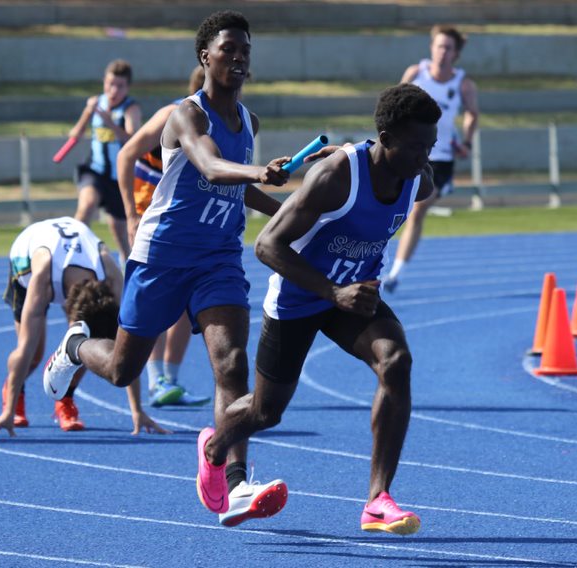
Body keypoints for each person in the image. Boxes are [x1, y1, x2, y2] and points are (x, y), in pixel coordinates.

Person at [43, 11, 293, 527]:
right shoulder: (186, 115)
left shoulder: (250, 122)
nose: (240, 57)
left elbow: (240, 188)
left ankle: (237, 483)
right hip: (162, 257)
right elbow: (208, 165)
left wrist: (293, 211)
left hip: (219, 258)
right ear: (206, 56)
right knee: (121, 371)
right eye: (229, 48)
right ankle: (74, 346)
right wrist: (257, 170)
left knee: (232, 364)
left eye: (246, 49)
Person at [200, 83, 440, 535]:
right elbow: (267, 244)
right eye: (413, 147)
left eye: (429, 146)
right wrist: (333, 292)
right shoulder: (336, 178)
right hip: (298, 296)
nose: (422, 158)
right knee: (267, 412)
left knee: (397, 361)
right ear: (385, 139)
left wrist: (344, 295)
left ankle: (376, 499)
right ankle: (215, 450)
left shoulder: (419, 178)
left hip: (353, 296)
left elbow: (418, 174)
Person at [0, 216, 169, 438]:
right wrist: (7, 412)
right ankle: (13, 393)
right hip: (28, 256)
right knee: (34, 353)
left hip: (73, 251)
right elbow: (24, 348)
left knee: (86, 350)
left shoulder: (112, 277)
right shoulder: (42, 279)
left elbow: (127, 346)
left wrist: (137, 410)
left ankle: (65, 396)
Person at [116, 64, 210, 407]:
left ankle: (169, 379)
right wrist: (129, 214)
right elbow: (126, 153)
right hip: (149, 210)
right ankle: (155, 378)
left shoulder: (230, 122)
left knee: (188, 302)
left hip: (184, 220)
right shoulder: (173, 113)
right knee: (154, 299)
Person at [382, 25, 479, 293]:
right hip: (408, 153)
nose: (442, 52)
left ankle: (396, 273)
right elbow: (395, 105)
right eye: (439, 46)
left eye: (448, 48)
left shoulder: (463, 83)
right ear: (431, 48)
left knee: (418, 208)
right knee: (391, 205)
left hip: (441, 159)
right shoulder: (416, 73)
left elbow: (472, 114)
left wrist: (467, 142)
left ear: (456, 53)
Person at [69, 59, 141, 267]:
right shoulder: (96, 103)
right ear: (104, 82)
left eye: (120, 86)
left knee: (120, 231)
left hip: (120, 178)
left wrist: (109, 122)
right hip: (95, 171)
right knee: (86, 206)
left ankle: (126, 266)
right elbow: (76, 133)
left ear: (127, 87)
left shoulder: (130, 109)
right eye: (110, 84)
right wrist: (87, 111)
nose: (113, 90)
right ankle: (73, 254)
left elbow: (133, 141)